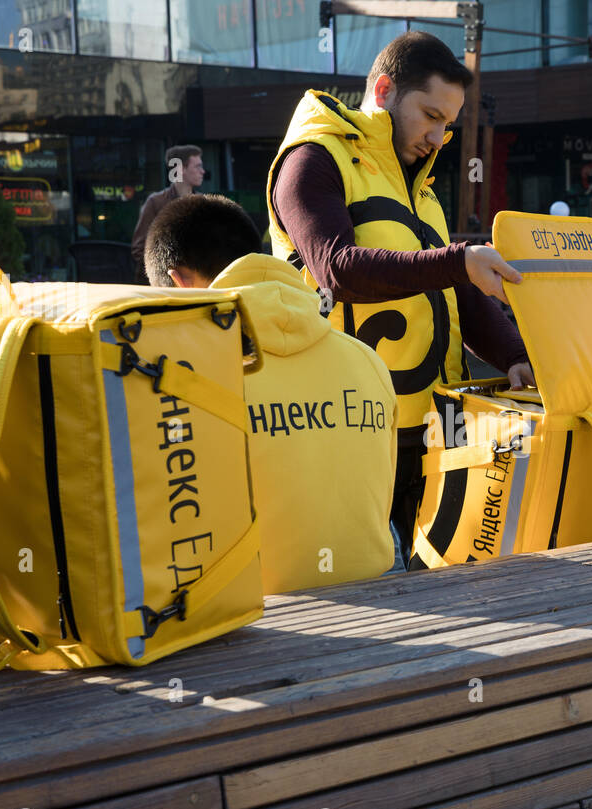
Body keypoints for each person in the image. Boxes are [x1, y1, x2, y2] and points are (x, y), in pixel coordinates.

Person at [265, 30, 534, 567]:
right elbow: (335, 270)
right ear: (384, 89)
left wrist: (515, 357)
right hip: (350, 427)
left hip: (437, 423)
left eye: (448, 126)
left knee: (455, 579)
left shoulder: (420, 189)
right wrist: (458, 259)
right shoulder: (311, 161)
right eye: (430, 115)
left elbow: (457, 292)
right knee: (365, 592)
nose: (438, 138)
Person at [145, 194, 397, 594]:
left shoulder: (173, 379)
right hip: (378, 588)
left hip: (248, 619)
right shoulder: (368, 362)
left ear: (179, 283)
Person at [130, 144, 206, 281]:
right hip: (160, 286)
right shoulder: (156, 202)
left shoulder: (203, 203)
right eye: (197, 166)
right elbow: (139, 249)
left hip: (195, 283)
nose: (203, 171)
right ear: (181, 169)